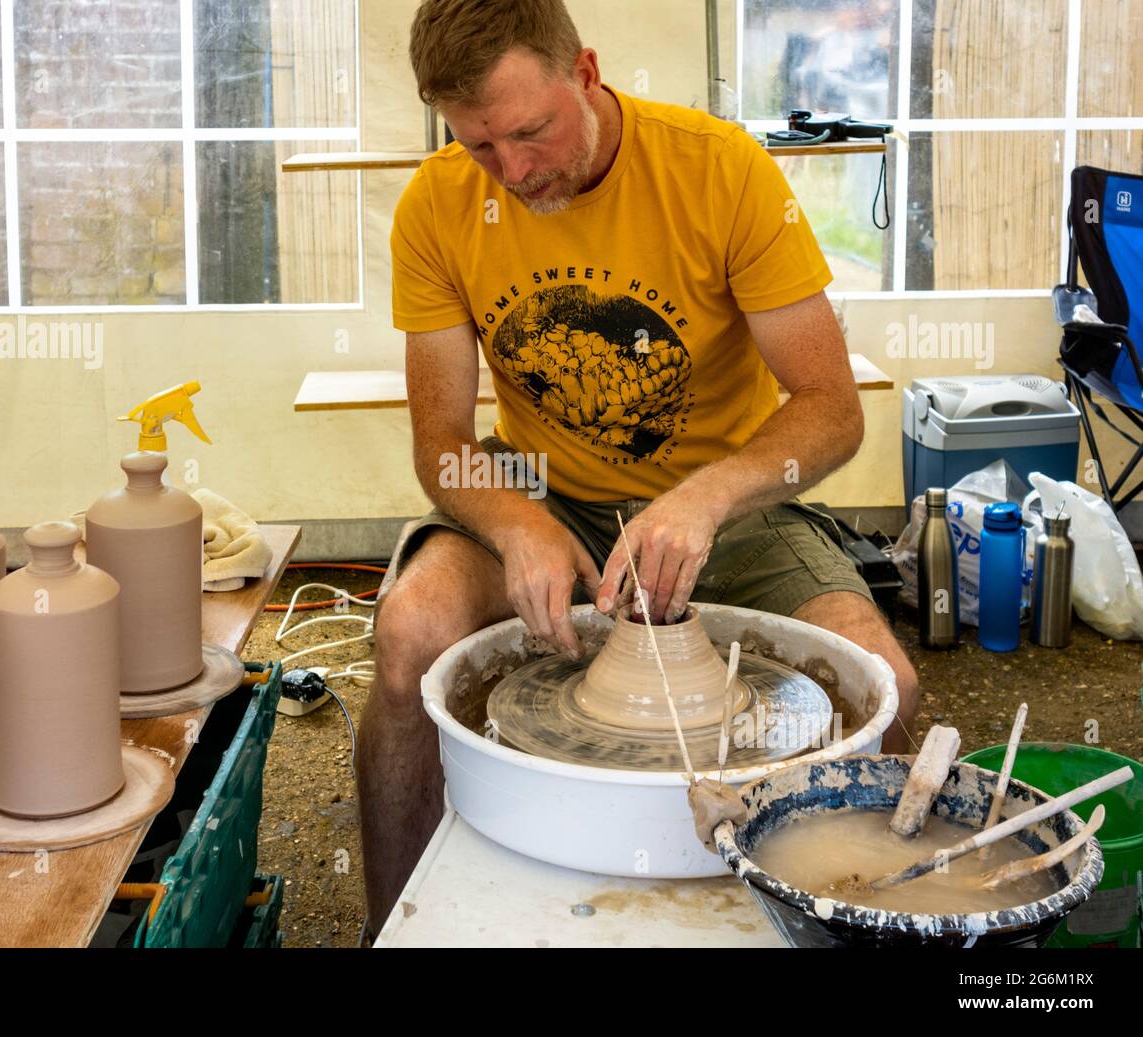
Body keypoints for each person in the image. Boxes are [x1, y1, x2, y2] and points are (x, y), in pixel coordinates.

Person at [356, 0, 919, 936]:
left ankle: (841, 924)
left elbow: (832, 408)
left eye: (531, 131)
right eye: (481, 145)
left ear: (585, 72)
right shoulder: (437, 205)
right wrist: (517, 522)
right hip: (540, 491)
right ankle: (398, 930)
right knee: (410, 639)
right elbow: (442, 439)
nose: (515, 170)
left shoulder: (719, 170)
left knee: (885, 685)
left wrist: (703, 499)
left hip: (731, 500)